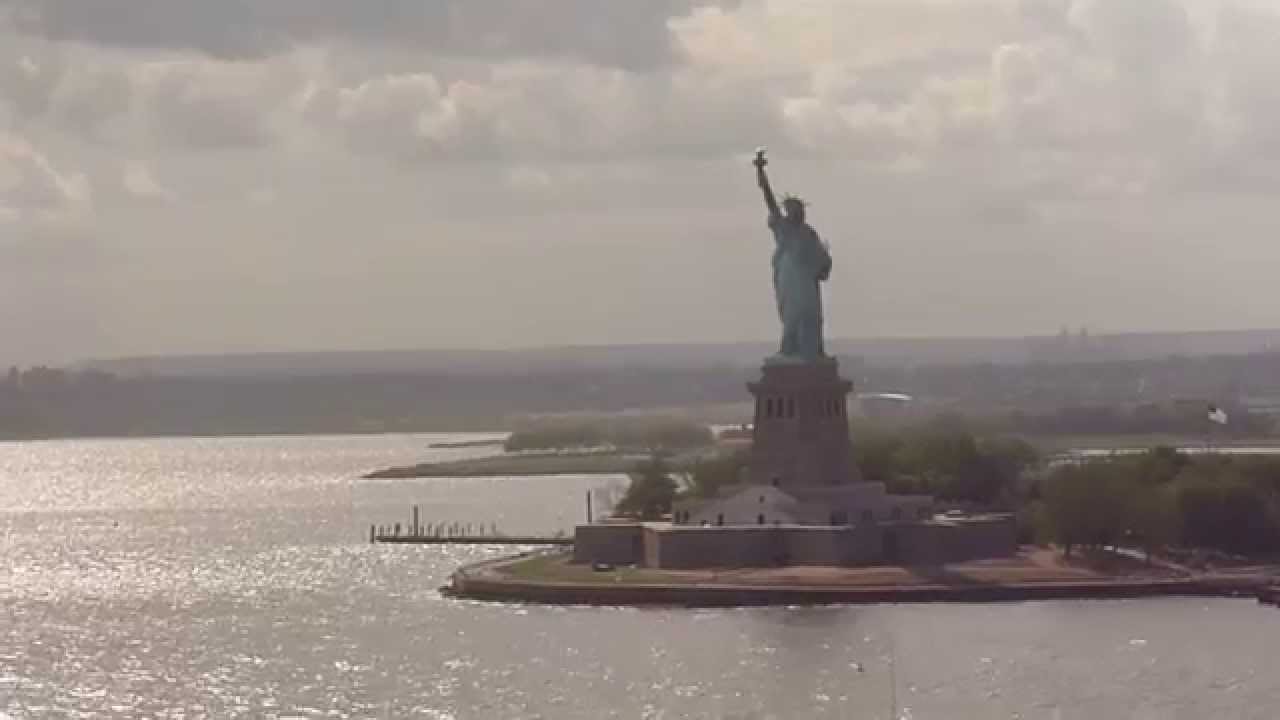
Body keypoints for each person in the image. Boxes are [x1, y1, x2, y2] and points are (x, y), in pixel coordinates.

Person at [754, 149, 832, 362]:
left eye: (800, 210)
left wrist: (824, 264)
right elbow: (769, 201)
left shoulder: (808, 233)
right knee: (793, 315)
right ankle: (789, 350)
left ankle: (814, 350)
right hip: (790, 278)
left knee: (812, 314)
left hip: (806, 280)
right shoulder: (784, 229)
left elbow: (822, 260)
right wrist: (761, 174)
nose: (798, 213)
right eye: (794, 209)